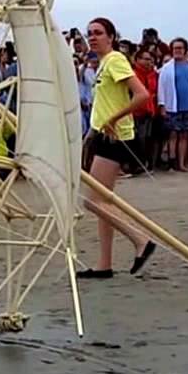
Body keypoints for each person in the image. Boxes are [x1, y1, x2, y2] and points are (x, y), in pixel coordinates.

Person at [78, 16, 156, 279]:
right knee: (103, 203)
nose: (93, 37)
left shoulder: (115, 60)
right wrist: (90, 133)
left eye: (98, 33)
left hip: (116, 137)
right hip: (102, 135)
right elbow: (104, 104)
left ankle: (140, 239)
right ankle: (104, 264)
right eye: (90, 33)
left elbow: (142, 95)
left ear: (111, 36)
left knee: (93, 201)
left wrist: (114, 119)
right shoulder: (102, 65)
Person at [156, 37, 188, 172]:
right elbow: (161, 87)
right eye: (175, 48)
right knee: (173, 135)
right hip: (172, 106)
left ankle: (182, 164)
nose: (177, 51)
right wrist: (162, 104)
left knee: (185, 135)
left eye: (180, 48)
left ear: (185, 50)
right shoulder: (167, 68)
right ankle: (171, 163)